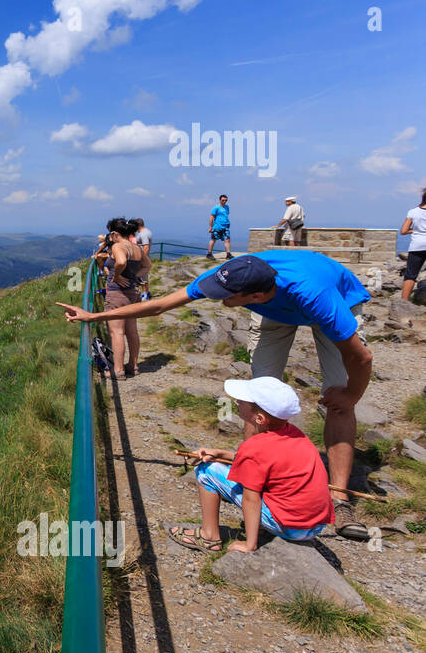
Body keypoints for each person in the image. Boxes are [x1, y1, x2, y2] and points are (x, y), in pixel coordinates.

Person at [57, 250, 372, 538]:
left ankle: (339, 499)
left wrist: (352, 395)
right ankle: (253, 476)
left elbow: (361, 357)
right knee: (255, 397)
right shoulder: (232, 273)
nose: (217, 298)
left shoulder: (317, 297)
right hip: (276, 307)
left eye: (226, 297)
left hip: (331, 299)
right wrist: (93, 317)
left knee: (338, 400)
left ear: (256, 295)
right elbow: (162, 305)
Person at [169, 377, 334, 552]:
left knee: (205, 470)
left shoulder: (254, 448)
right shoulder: (296, 435)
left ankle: (208, 536)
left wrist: (249, 544)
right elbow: (264, 464)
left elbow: (251, 498)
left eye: (242, 401)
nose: (237, 401)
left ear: (260, 418)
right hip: (315, 527)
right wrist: (221, 454)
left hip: (291, 529)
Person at [99, 218, 150, 378]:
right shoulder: (136, 248)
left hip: (117, 294)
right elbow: (148, 266)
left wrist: (116, 276)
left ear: (114, 233)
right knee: (132, 331)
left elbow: (120, 261)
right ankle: (133, 366)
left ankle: (118, 370)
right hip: (133, 293)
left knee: (117, 332)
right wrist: (134, 276)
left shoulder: (118, 246)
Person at [401, 187, 426, 301]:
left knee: (410, 275)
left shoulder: (413, 212)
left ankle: (403, 302)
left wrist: (415, 230)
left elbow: (403, 231)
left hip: (417, 246)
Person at [207, 194, 232, 259]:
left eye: (226, 200)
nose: (224, 201)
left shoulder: (227, 207)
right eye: (223, 200)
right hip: (217, 226)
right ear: (220, 200)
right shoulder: (216, 207)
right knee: (213, 239)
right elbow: (211, 217)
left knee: (227, 240)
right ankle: (209, 254)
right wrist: (211, 226)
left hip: (225, 226)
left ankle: (228, 254)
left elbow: (226, 215)